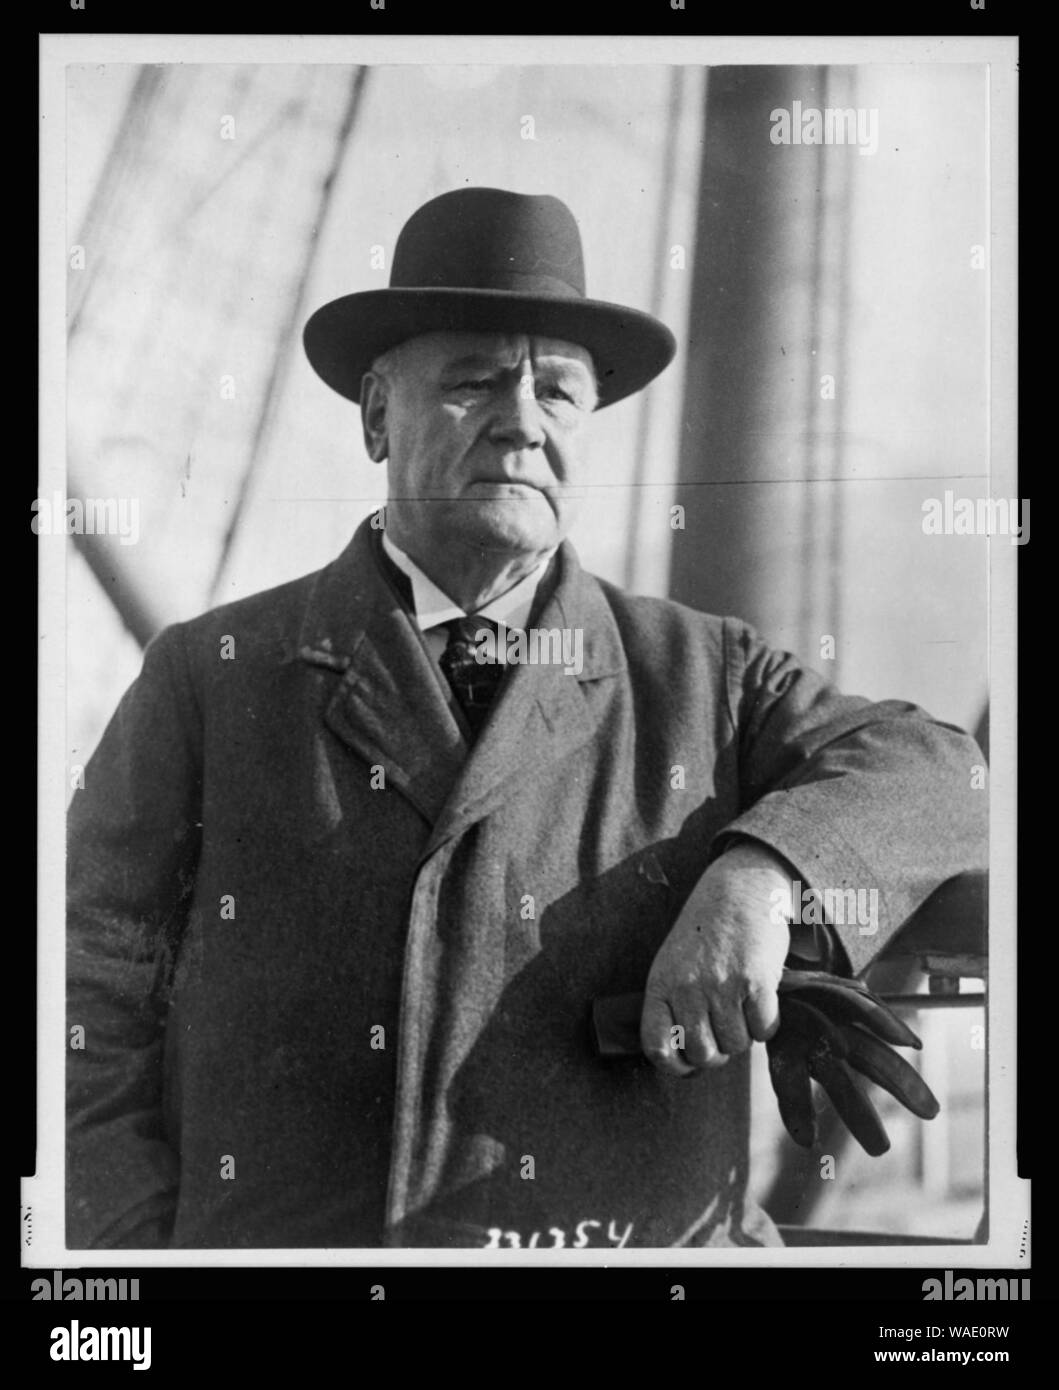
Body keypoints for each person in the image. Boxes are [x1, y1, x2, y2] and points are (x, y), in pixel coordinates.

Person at [66, 187, 987, 1250]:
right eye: (472, 381)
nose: (521, 420)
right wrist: (139, 1257)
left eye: (558, 391)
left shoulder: (708, 676)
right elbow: (84, 992)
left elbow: (946, 771)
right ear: (375, 413)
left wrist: (763, 877)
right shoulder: (209, 678)